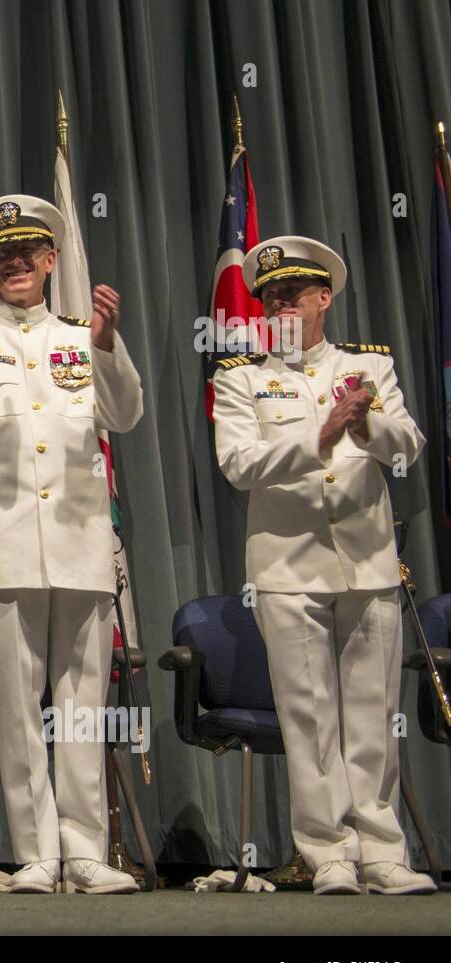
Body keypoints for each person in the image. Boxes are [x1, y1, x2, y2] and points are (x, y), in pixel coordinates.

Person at [212, 234, 435, 895]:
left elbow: (409, 446)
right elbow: (239, 464)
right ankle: (328, 851)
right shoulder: (240, 376)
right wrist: (322, 435)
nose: (279, 302)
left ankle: (382, 849)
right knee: (308, 717)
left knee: (373, 711)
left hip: (367, 561)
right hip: (288, 566)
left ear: (323, 298)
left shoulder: (367, 366)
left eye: (292, 292)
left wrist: (363, 423)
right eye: (269, 295)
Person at [0, 194, 144, 894]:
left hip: (83, 545)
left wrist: (109, 347)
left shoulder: (88, 335)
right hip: (4, 547)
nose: (15, 261)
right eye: (2, 254)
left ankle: (86, 850)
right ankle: (37, 853)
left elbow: (126, 414)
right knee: (20, 709)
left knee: (83, 703)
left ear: (52, 261)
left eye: (28, 252)